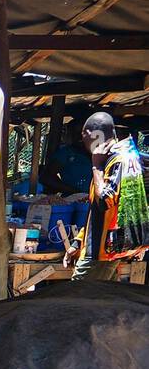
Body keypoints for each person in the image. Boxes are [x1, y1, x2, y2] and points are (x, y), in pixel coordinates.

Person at [64, 112, 138, 281]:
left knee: (78, 300)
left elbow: (105, 200)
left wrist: (96, 166)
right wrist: (78, 242)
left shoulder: (117, 160)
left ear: (96, 136)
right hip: (100, 248)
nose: (83, 143)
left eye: (85, 138)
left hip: (102, 252)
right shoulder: (111, 159)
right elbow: (96, 211)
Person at [39, 121, 94, 195]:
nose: (80, 136)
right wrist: (74, 192)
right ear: (70, 135)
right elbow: (46, 177)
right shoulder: (66, 153)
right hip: (74, 202)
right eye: (75, 133)